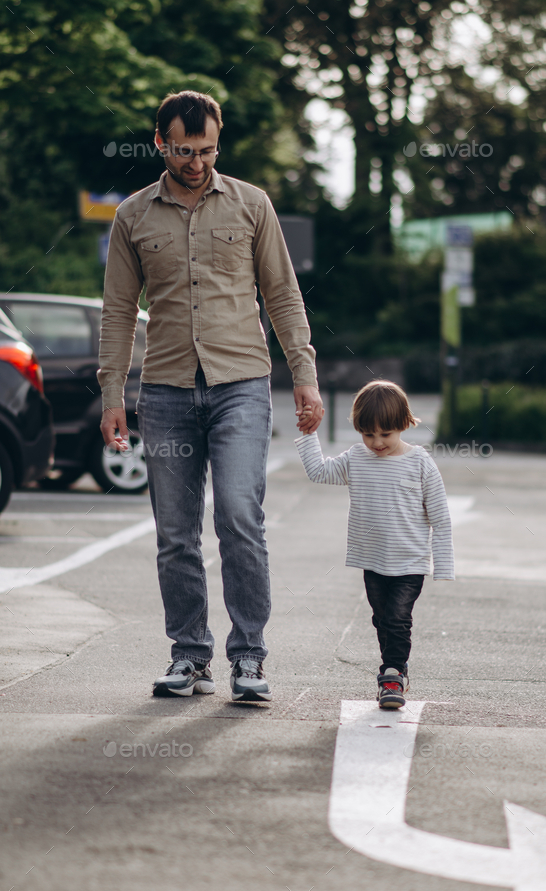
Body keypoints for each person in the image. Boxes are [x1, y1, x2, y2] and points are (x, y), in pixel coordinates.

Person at [98, 90, 323, 703]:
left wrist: (303, 374)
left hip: (241, 387)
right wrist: (112, 391)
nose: (195, 162)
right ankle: (190, 656)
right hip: (166, 390)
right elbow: (118, 311)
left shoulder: (252, 205)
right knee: (175, 532)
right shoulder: (133, 217)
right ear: (160, 143)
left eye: (206, 150)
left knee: (239, 519)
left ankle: (248, 658)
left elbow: (282, 296)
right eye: (183, 151)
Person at [295, 380, 453, 709]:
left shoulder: (420, 463)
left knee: (397, 618)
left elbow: (440, 517)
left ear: (404, 425)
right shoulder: (356, 458)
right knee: (382, 619)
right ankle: (395, 667)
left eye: (386, 434)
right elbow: (319, 472)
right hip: (373, 561)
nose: (377, 443)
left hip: (410, 564)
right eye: (368, 435)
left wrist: (444, 564)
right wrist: (310, 433)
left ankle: (392, 675)